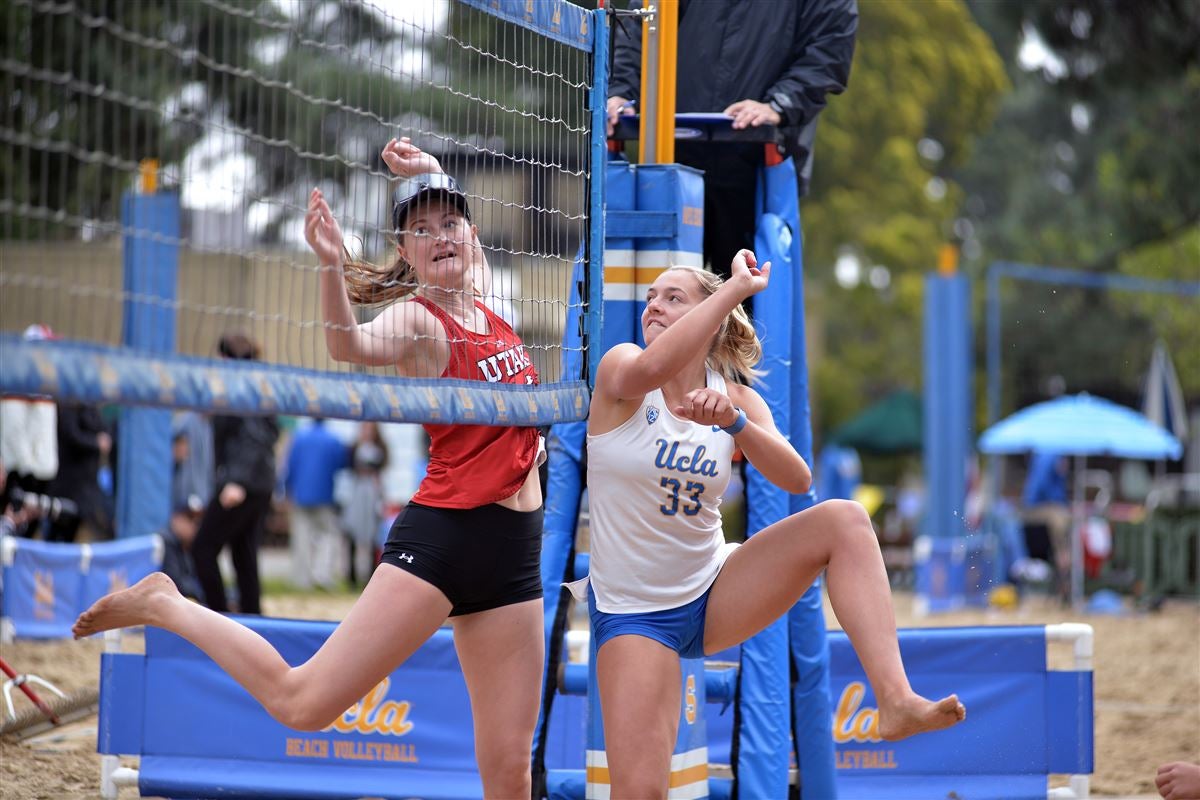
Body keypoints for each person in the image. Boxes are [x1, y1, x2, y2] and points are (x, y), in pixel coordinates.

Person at [74, 137, 547, 799]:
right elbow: (347, 344)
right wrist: (330, 265)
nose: (441, 235)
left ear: (471, 234)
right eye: (421, 230)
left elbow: (454, 233)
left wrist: (430, 171)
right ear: (405, 252)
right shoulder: (419, 320)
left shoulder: (487, 297)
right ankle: (166, 605)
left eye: (451, 222)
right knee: (302, 705)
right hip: (446, 539)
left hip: (515, 552)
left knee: (510, 769)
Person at [574, 250, 965, 797]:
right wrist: (736, 289)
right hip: (636, 613)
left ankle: (896, 700)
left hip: (712, 590)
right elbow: (655, 369)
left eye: (673, 297)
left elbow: (797, 478)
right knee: (642, 792)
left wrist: (736, 424)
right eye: (650, 298)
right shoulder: (623, 367)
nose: (653, 307)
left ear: (709, 319)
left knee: (846, 520)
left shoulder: (735, 398)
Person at [607, 0, 857, 277]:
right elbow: (645, 20)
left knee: (747, 291)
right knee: (660, 288)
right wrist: (622, 92)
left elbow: (828, 50)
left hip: (757, 166)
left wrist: (778, 104)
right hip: (671, 157)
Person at [190, 332, 280, 615]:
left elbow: (254, 437)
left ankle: (217, 615)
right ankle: (251, 618)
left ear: (227, 357)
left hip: (244, 484)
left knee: (203, 549)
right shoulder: (255, 382)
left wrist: (236, 481)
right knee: (244, 554)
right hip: (258, 483)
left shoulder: (245, 384)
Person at [283, 417, 350, 591]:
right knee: (329, 535)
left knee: (301, 537)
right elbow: (341, 464)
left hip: (301, 494)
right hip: (324, 494)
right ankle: (322, 574)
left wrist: (287, 489)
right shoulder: (333, 439)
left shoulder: (299, 437)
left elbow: (290, 465)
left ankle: (302, 579)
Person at [47, 401, 113, 542]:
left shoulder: (90, 406)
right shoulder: (68, 406)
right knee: (59, 525)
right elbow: (71, 435)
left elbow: (103, 428)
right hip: (68, 481)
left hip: (86, 482)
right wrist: (96, 443)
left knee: (75, 525)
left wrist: (103, 440)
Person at [340, 421, 389, 586]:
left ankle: (370, 574)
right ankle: (352, 576)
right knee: (353, 532)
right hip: (357, 493)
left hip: (372, 494)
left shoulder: (380, 448)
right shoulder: (355, 447)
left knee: (372, 534)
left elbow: (382, 466)